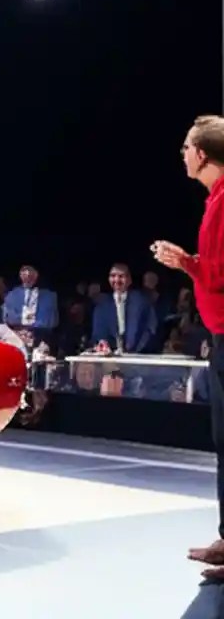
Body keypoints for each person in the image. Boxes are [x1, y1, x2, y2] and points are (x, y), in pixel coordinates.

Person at [152, 116, 224, 579]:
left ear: (201, 154)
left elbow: (219, 275)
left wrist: (186, 263)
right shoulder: (215, 200)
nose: (181, 154)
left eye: (185, 147)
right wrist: (190, 261)